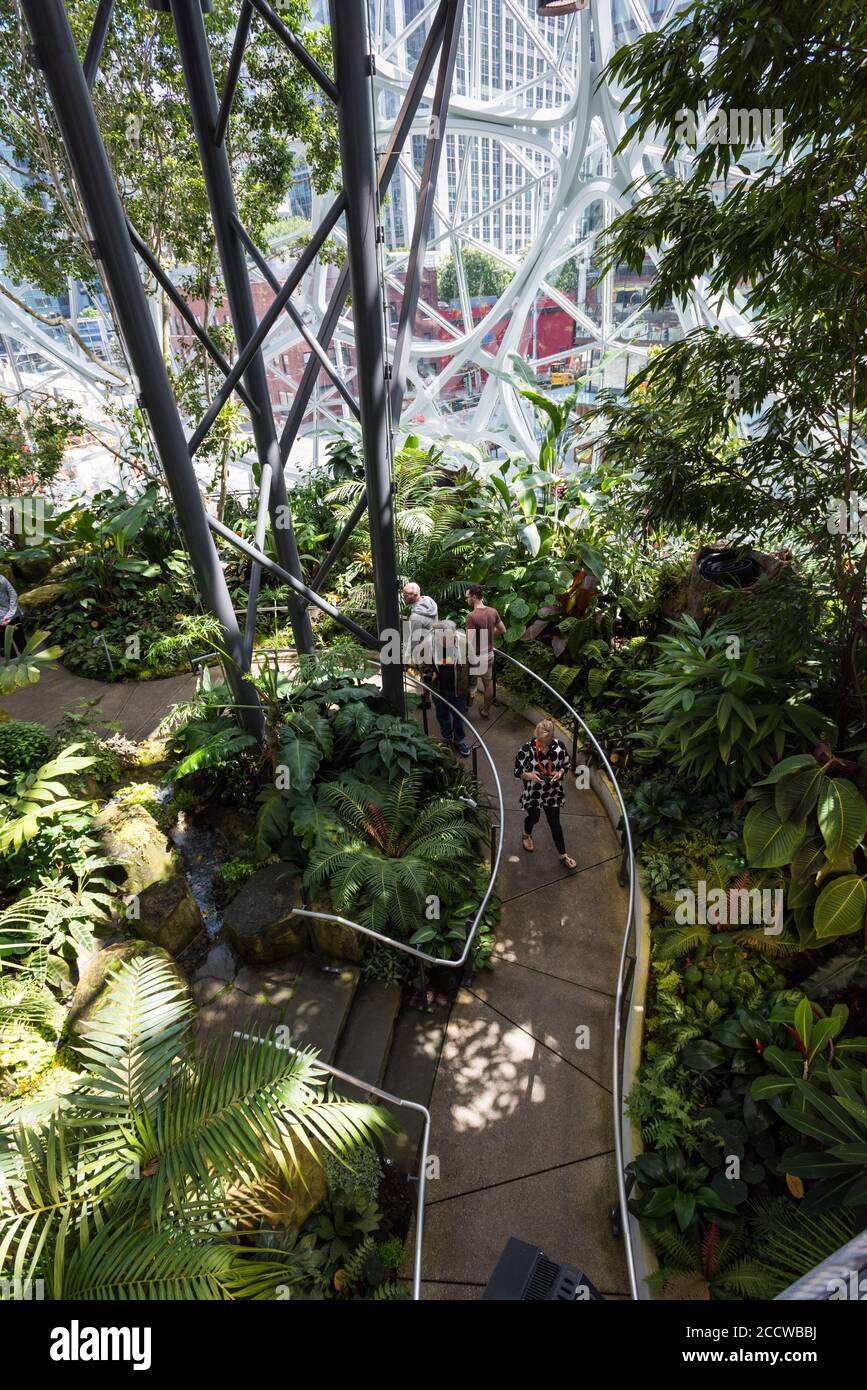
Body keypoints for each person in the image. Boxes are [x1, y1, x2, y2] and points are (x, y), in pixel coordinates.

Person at [514, 718, 577, 871]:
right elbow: (518, 772)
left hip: (552, 790)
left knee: (554, 821)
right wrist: (530, 776)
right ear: (536, 736)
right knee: (534, 817)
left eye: (547, 744)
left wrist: (559, 773)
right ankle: (526, 834)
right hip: (534, 790)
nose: (543, 747)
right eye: (541, 743)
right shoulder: (526, 750)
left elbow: (566, 765)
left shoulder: (559, 748)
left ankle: (563, 855)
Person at [429, 620, 470, 757]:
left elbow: (473, 665)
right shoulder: (431, 643)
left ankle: (459, 740)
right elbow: (422, 660)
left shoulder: (464, 644)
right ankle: (446, 737)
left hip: (458, 688)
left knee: (458, 717)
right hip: (439, 688)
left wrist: (474, 686)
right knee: (442, 715)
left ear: (453, 634)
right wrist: (430, 670)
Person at [465, 582, 505, 717]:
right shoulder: (493, 611)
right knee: (488, 684)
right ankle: (486, 711)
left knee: (471, 684)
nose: (467, 600)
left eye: (467, 597)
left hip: (476, 656)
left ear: (474, 596)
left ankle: (466, 708)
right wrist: (488, 634)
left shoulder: (472, 616)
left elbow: (469, 641)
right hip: (489, 654)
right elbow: (502, 629)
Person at [402, 581, 438, 667]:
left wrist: (406, 659)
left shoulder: (415, 617)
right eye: (404, 593)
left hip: (426, 652)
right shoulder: (429, 601)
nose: (404, 596)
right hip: (437, 645)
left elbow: (414, 640)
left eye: (407, 594)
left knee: (427, 677)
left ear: (416, 594)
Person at [0, 572, 23, 655]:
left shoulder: (2, 579)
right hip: (12, 616)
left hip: (9, 617)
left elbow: (13, 595)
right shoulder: (1, 578)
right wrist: (10, 614)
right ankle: (29, 665)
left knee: (8, 648)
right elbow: (13, 595)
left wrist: (8, 616)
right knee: (20, 643)